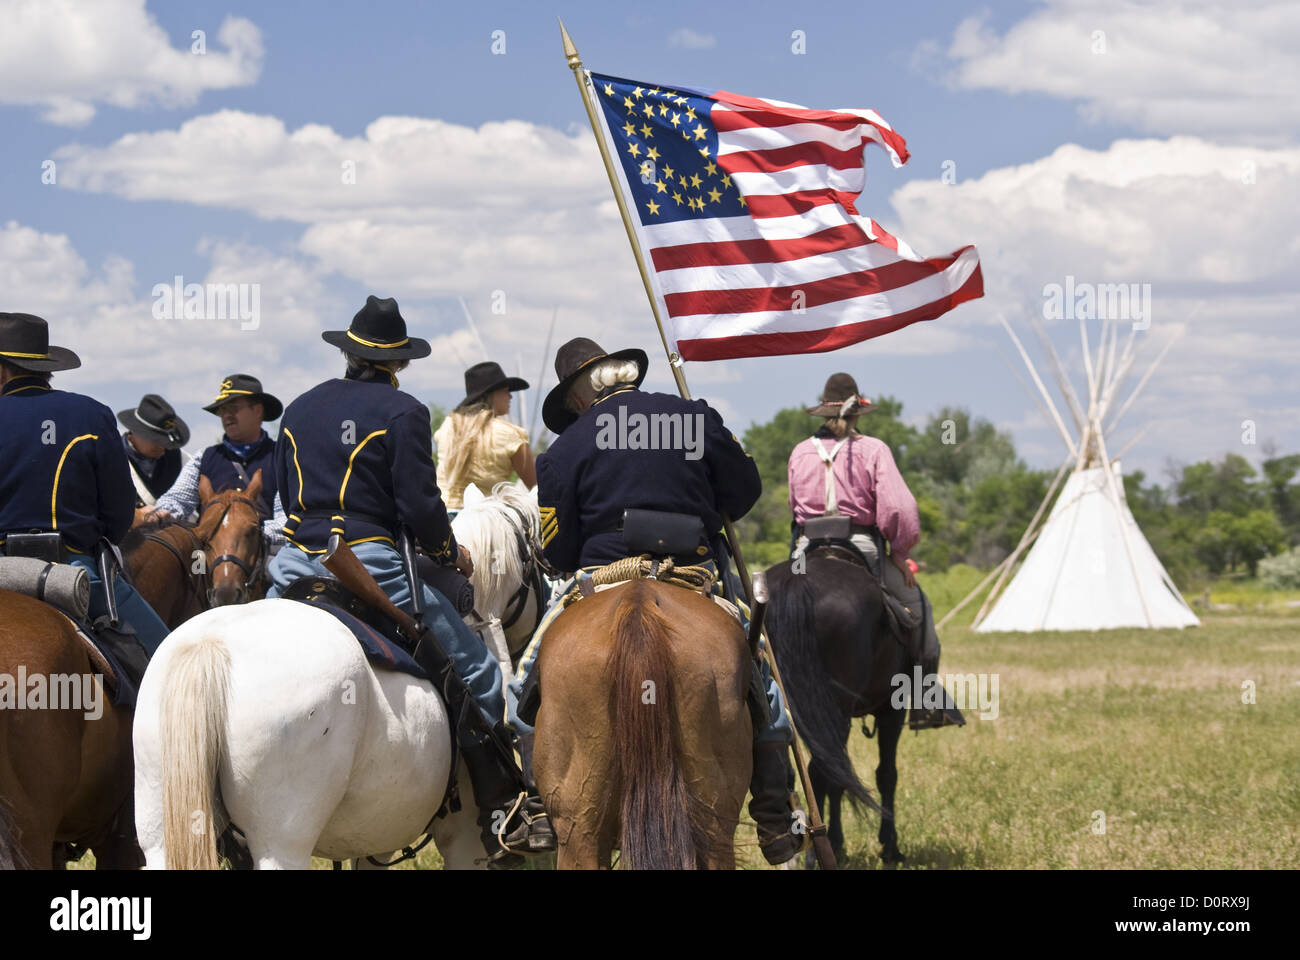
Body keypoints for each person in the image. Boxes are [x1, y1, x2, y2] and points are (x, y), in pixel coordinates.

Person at [264, 295, 554, 867]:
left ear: (348, 352)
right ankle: (500, 806)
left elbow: (285, 496)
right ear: (397, 363)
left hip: (296, 562)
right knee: (478, 672)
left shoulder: (298, 408)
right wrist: (452, 553)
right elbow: (422, 508)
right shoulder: (403, 412)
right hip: (372, 562)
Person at [512, 336, 806, 866]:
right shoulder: (693, 418)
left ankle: (534, 803)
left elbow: (557, 550)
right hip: (693, 575)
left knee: (523, 687)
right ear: (626, 375)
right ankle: (773, 807)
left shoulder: (562, 451)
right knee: (762, 681)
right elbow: (744, 491)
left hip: (602, 578)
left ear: (576, 398)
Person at [788, 372, 962, 729]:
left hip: (806, 547)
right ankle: (926, 698)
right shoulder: (873, 449)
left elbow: (794, 510)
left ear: (824, 413)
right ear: (857, 414)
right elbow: (900, 510)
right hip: (859, 543)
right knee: (918, 610)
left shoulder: (800, 452)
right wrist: (899, 552)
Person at [0, 312, 169, 655]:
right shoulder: (91, 414)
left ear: (1, 370)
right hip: (75, 573)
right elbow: (119, 514)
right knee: (171, 662)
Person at [151, 373, 285, 547]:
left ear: (257, 410)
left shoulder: (281, 458)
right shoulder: (203, 458)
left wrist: (248, 531)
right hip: (209, 553)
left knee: (280, 571)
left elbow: (286, 519)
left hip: (264, 552)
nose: (227, 416)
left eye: (234, 408)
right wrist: (162, 513)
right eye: (223, 410)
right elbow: (178, 500)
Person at [434, 361, 534, 514]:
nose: (510, 396)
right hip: (486, 520)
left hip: (442, 516)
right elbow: (536, 487)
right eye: (506, 391)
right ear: (491, 394)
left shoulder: (449, 424)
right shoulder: (511, 434)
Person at [117, 393, 191, 517]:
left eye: (165, 441)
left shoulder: (182, 460)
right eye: (157, 440)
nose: (163, 446)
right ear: (136, 432)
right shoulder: (110, 459)